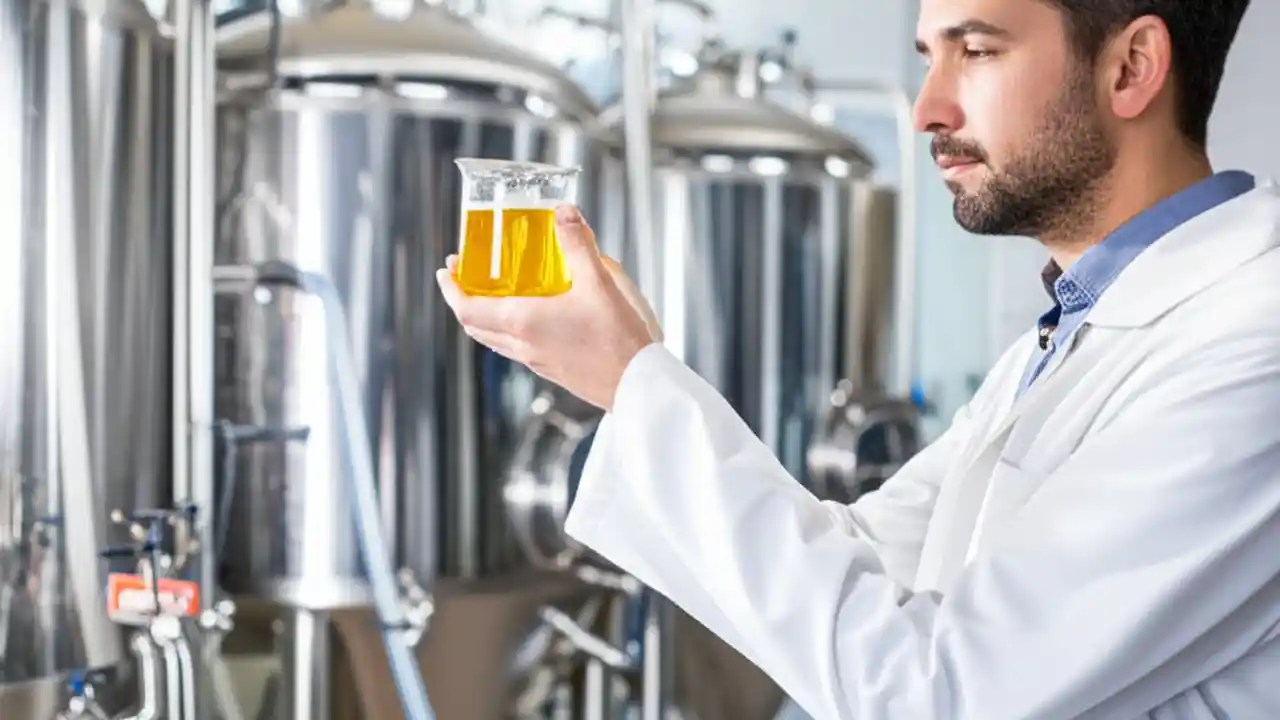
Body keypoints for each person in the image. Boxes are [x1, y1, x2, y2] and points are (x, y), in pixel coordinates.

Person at [438, 0, 1280, 716]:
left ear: (1131, 67)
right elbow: (862, 557)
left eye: (976, 51)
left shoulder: (1254, 343)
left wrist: (630, 377)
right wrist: (632, 380)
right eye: (929, 59)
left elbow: (933, 690)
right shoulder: (1069, 332)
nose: (926, 110)